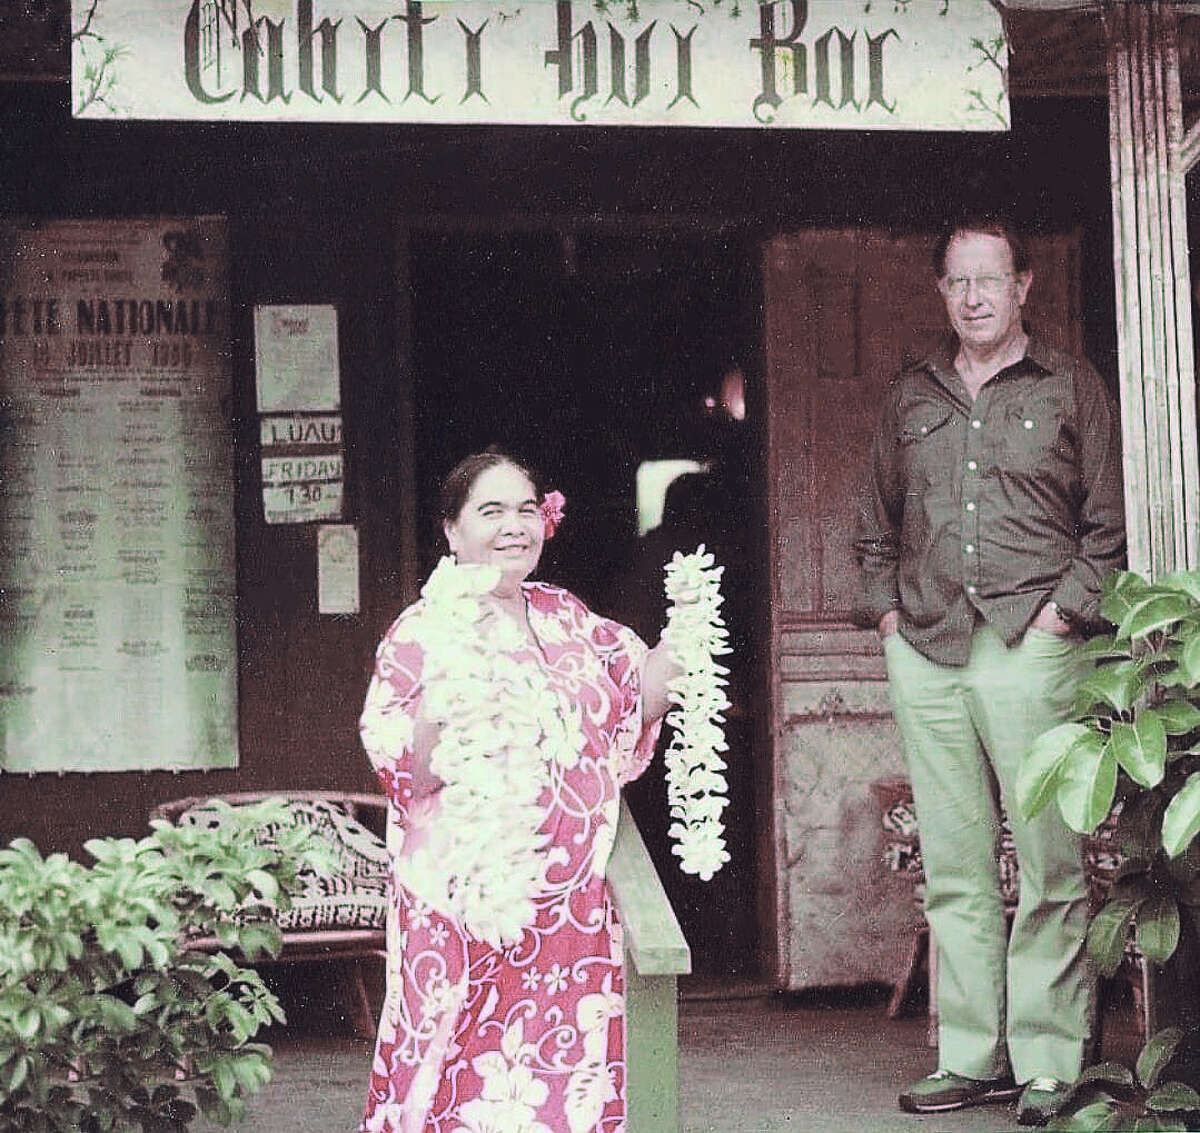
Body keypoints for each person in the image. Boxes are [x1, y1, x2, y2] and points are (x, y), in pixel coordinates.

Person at [853, 213, 1125, 1126]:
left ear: (1023, 286)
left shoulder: (1071, 385)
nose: (974, 297)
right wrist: (889, 619)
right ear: (943, 291)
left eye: (990, 279)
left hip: (1028, 646)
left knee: (1048, 857)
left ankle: (1050, 1058)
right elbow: (872, 527)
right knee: (957, 863)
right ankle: (971, 1054)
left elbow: (1108, 529)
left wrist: (1061, 618)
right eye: (958, 282)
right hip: (927, 648)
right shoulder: (910, 395)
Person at [358, 449, 684, 1133]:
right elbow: (405, 774)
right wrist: (440, 707)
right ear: (452, 531)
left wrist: (693, 630)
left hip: (570, 916)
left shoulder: (568, 616)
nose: (513, 526)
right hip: (467, 904)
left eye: (526, 509)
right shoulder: (422, 632)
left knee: (565, 1074)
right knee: (463, 1070)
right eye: (491, 510)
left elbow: (638, 696)